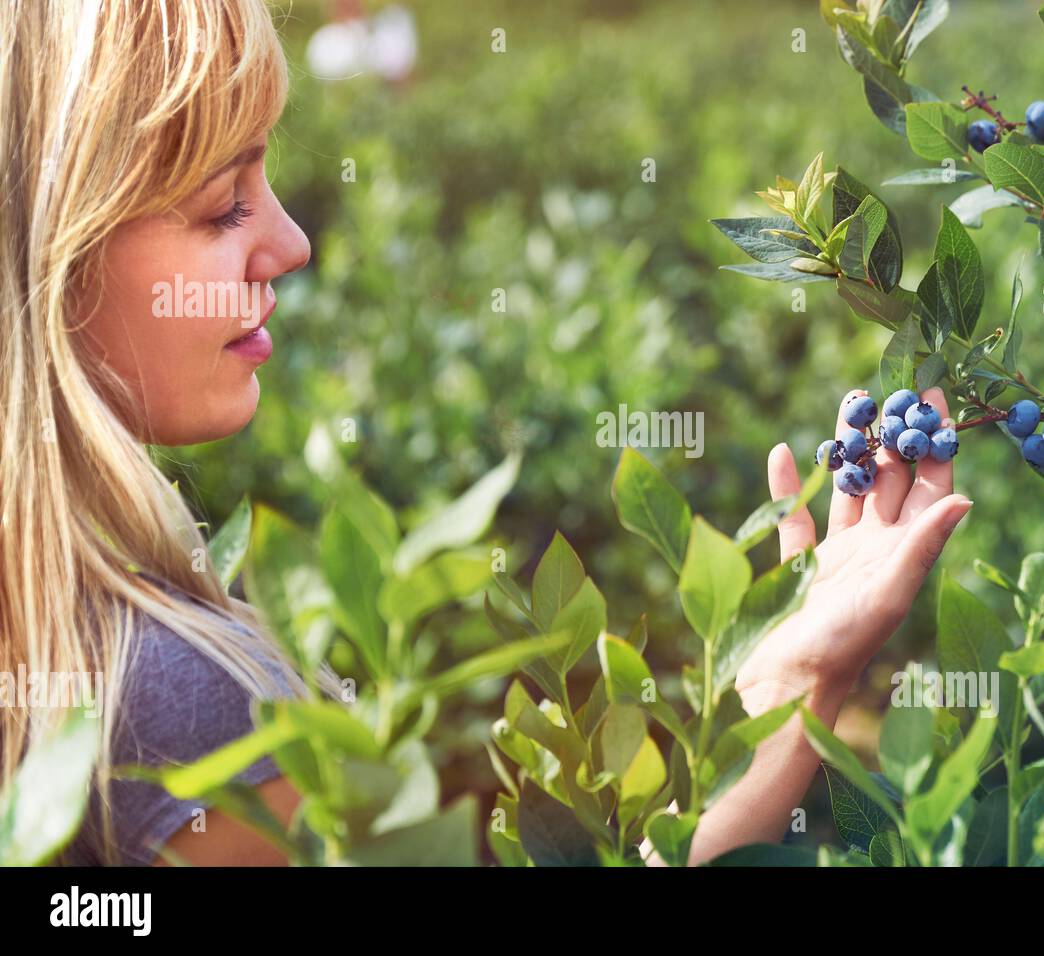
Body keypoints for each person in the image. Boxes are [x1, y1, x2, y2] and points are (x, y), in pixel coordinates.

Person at [0, 0, 970, 866]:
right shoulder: (184, 707)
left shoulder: (71, 657)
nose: (291, 243)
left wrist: (795, 674)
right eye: (224, 204)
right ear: (54, 245)